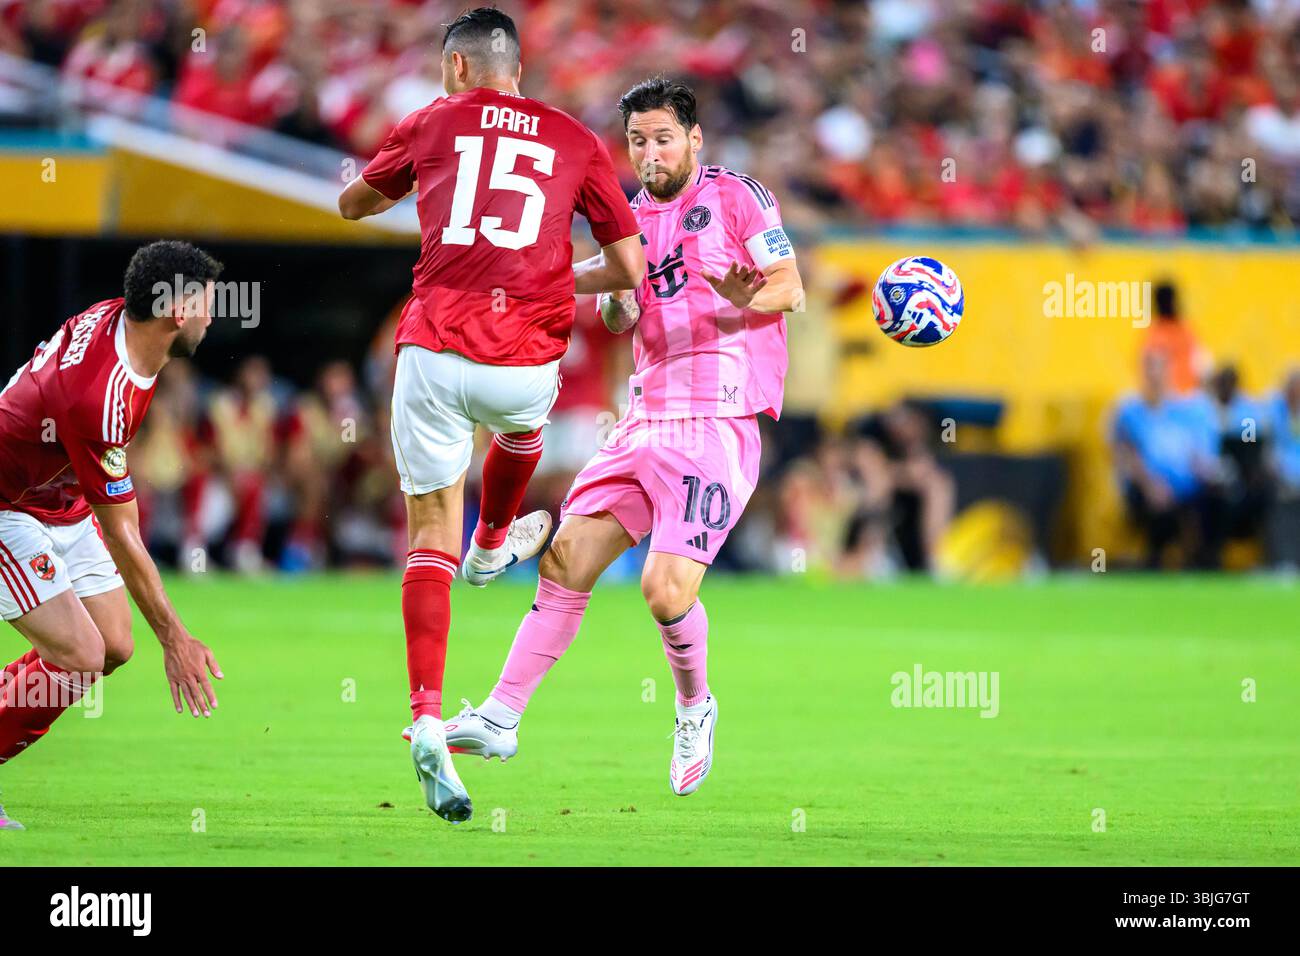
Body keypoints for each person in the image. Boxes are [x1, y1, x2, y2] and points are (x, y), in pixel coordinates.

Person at [445, 77, 803, 798]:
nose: (649, 153)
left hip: (717, 418)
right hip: (641, 416)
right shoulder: (628, 217)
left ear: (694, 139)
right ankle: (502, 717)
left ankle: (694, 706)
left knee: (663, 592)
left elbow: (789, 285)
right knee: (565, 561)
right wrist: (612, 297)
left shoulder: (739, 197)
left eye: (663, 138)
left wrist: (747, 297)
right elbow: (616, 322)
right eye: (638, 140)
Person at [337, 7, 644, 823]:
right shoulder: (575, 138)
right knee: (522, 429)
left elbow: (355, 206)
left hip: (433, 347)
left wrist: (373, 187)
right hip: (526, 358)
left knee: (424, 534)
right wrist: (572, 282)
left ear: (461, 68)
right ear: (516, 66)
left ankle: (427, 715)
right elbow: (629, 264)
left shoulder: (432, 121)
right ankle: (494, 540)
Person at [0, 240, 225, 831]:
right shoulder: (100, 397)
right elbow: (124, 534)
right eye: (206, 302)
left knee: (115, 646)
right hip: (8, 504)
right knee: (79, 655)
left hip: (57, 496)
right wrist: (176, 638)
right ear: (176, 311)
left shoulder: (121, 320)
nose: (213, 313)